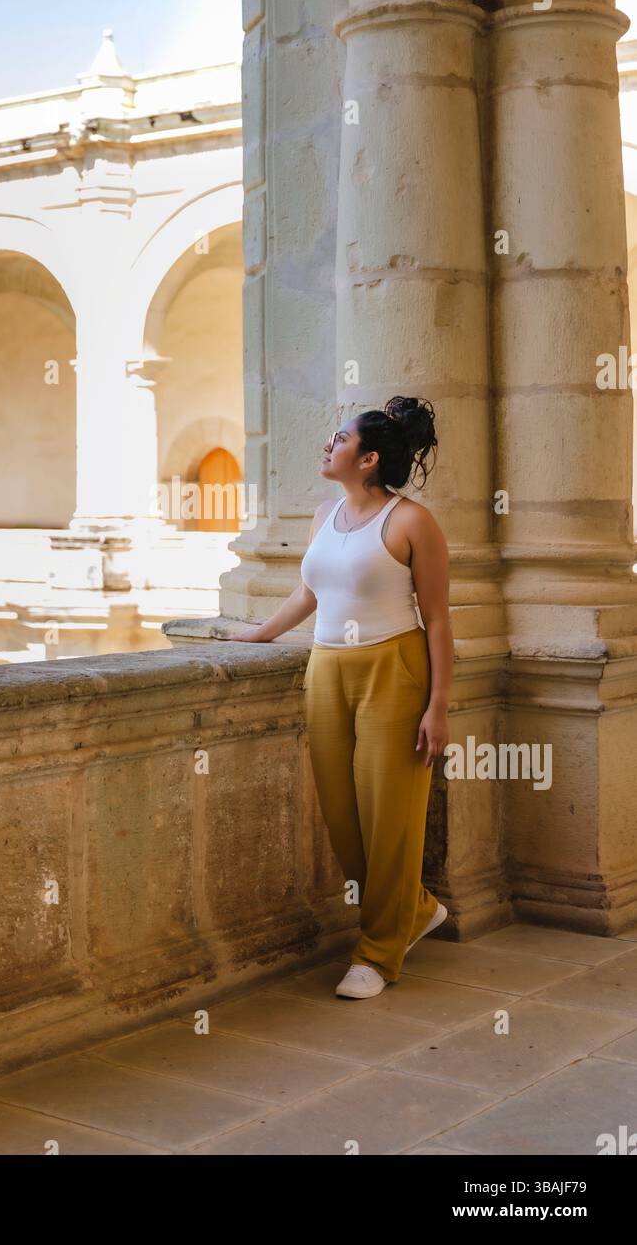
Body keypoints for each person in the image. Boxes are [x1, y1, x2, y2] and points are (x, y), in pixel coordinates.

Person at [231, 396, 453, 1000]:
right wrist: (257, 634)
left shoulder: (412, 523)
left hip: (395, 670)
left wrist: (437, 707)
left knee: (390, 818)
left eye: (340, 439)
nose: (328, 446)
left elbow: (436, 619)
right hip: (326, 669)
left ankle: (379, 953)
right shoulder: (324, 515)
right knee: (343, 817)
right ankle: (418, 908)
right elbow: (309, 593)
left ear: (370, 458)